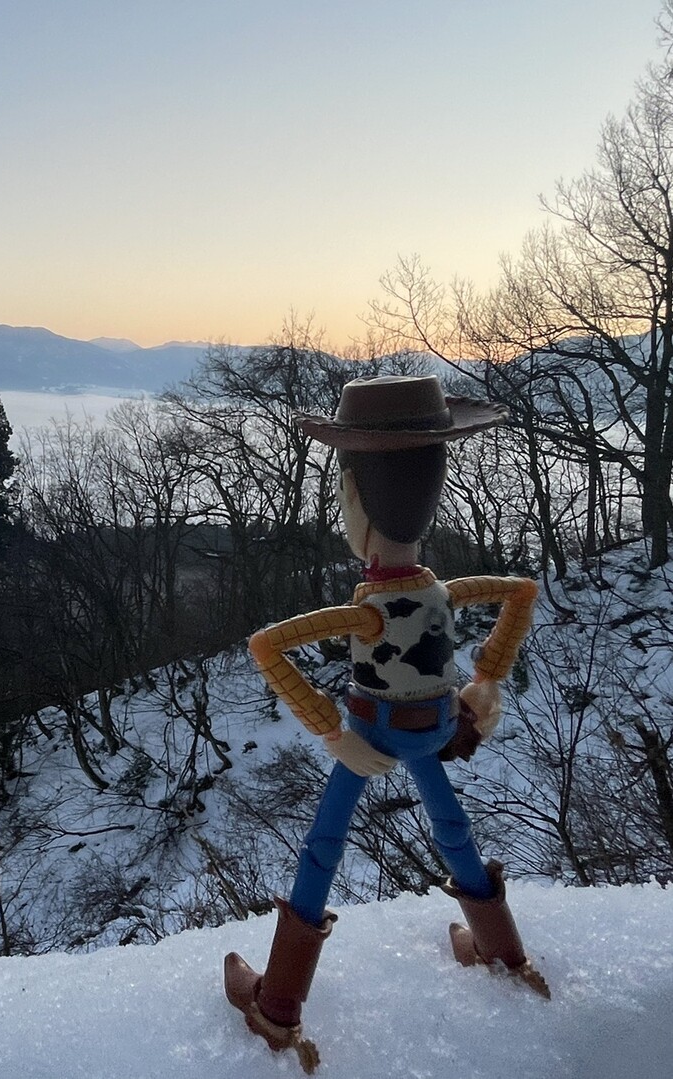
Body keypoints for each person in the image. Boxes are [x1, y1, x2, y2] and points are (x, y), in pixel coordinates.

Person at [223, 375, 548, 1074]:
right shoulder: (440, 590)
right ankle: (500, 948)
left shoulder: (367, 609)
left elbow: (266, 645)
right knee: (451, 827)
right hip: (434, 728)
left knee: (323, 847)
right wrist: (485, 677)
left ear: (354, 501)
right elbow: (520, 591)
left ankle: (276, 1005)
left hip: (370, 736)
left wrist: (327, 727)